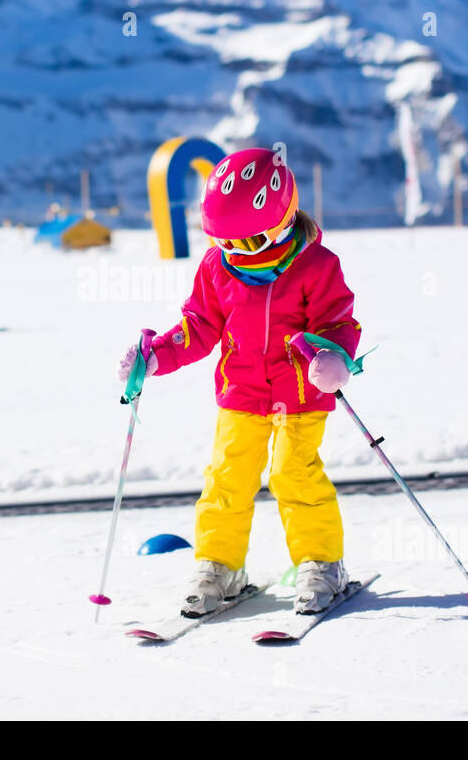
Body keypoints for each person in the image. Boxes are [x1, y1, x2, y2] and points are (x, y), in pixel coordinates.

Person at [118, 147, 361, 616]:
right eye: (223, 241)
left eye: (245, 243)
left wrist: (335, 358)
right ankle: (220, 565)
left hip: (300, 393)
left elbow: (337, 322)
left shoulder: (316, 266)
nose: (233, 253)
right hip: (241, 393)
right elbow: (197, 327)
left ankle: (320, 563)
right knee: (227, 479)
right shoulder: (217, 267)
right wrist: (155, 355)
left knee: (294, 474)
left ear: (282, 223)